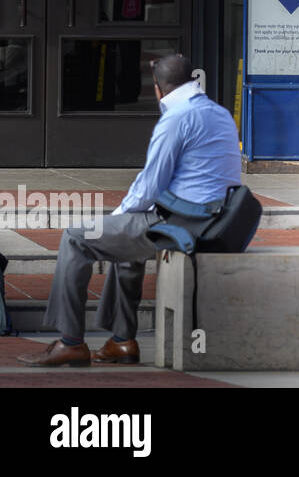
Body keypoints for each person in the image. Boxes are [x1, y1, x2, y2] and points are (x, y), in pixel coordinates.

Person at [18, 54, 242, 367]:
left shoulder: (177, 117)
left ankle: (70, 341)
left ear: (158, 89)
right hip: (215, 221)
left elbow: (150, 185)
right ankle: (122, 342)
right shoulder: (219, 114)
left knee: (75, 236)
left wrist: (118, 217)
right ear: (192, 80)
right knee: (130, 238)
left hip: (184, 224)